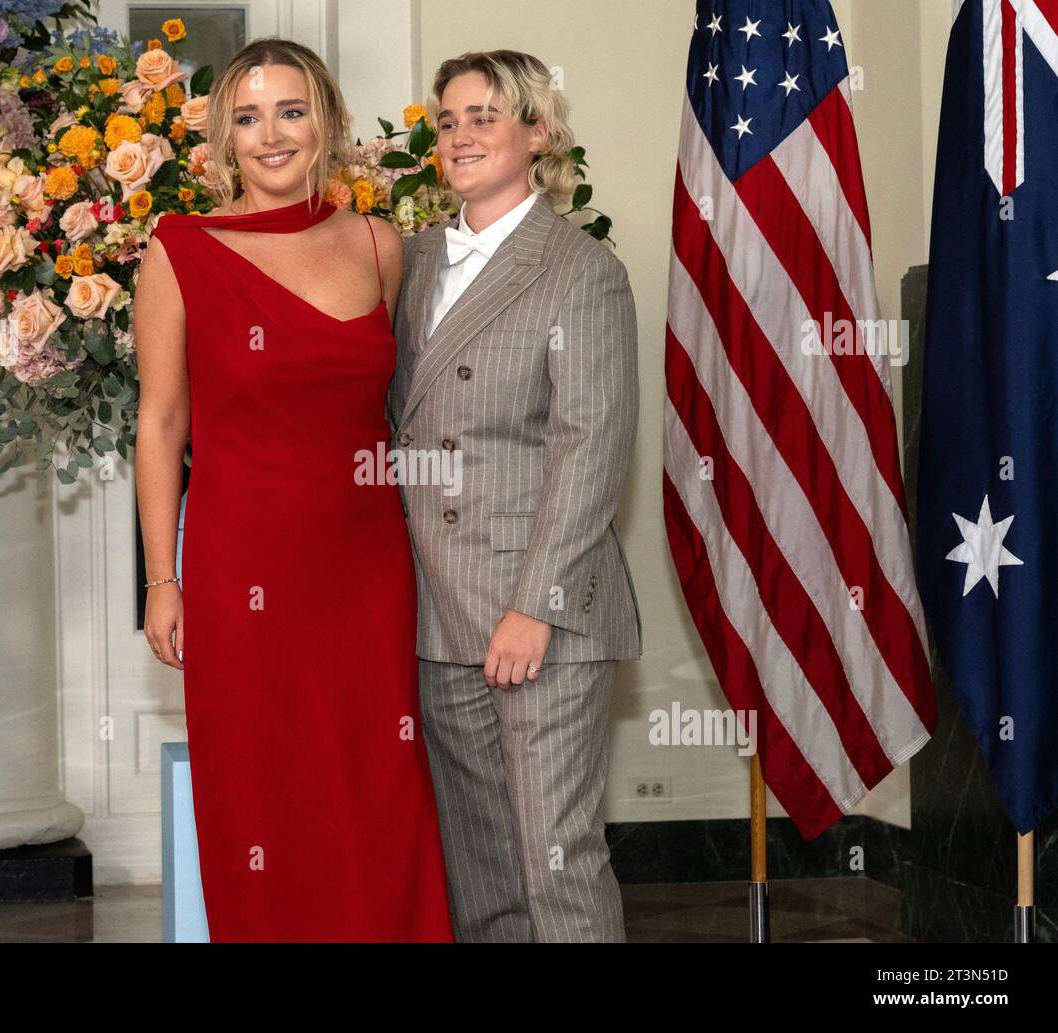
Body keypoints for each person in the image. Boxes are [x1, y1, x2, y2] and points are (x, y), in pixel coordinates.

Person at [134, 37, 453, 942]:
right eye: (246, 116)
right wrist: (165, 577)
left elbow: (402, 409)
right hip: (244, 566)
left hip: (365, 564)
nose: (269, 134)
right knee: (265, 795)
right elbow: (160, 425)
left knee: (375, 787)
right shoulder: (180, 252)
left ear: (327, 124)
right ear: (222, 139)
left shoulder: (378, 245)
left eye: (290, 110)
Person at [387, 49, 642, 942]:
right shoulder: (415, 260)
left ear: (538, 133)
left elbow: (591, 450)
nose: (460, 135)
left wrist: (534, 605)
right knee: (483, 874)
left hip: (543, 615)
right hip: (441, 616)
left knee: (555, 862)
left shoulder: (581, 268)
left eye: (484, 116)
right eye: (448, 120)